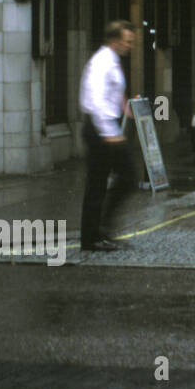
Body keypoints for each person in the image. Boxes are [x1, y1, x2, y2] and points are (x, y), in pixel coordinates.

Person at [78, 21, 138, 252]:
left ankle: (98, 233)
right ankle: (93, 236)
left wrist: (122, 104)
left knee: (103, 182)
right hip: (99, 129)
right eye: (127, 41)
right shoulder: (101, 62)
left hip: (105, 127)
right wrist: (109, 133)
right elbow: (95, 99)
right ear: (115, 40)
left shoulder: (111, 60)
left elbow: (111, 91)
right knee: (120, 178)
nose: (130, 45)